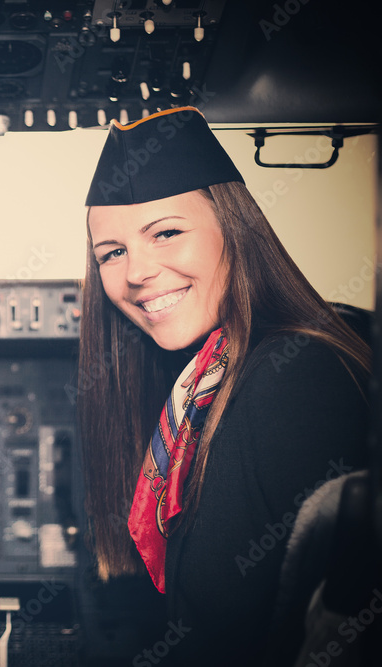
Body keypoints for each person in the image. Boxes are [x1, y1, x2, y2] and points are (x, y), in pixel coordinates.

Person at [77, 106, 373, 664]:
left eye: (166, 233)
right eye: (112, 253)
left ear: (234, 232)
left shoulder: (298, 375)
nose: (136, 272)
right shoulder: (204, 380)